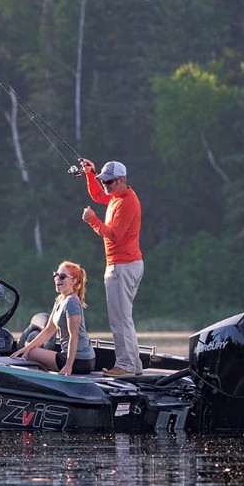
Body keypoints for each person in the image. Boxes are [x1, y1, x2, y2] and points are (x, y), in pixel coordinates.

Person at [78, 159, 143, 375]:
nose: (106, 185)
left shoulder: (127, 202)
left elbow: (114, 236)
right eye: (104, 181)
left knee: (119, 319)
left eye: (110, 182)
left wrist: (92, 220)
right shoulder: (117, 195)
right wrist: (90, 173)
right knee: (124, 318)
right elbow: (97, 195)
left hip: (122, 267)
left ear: (122, 180)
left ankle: (125, 365)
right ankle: (134, 365)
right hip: (125, 265)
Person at [11, 261, 96, 375]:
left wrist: (68, 366)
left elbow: (74, 336)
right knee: (29, 350)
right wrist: (25, 349)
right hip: (70, 357)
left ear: (74, 281)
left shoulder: (72, 302)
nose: (57, 279)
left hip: (79, 360)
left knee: (31, 353)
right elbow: (48, 331)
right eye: (56, 275)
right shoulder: (60, 300)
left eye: (62, 276)